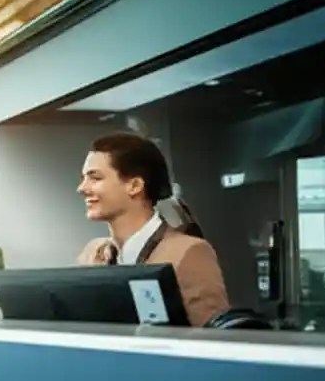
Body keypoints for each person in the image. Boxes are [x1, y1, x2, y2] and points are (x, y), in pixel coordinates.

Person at [76, 132, 229, 327]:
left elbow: (211, 341)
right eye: (83, 178)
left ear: (134, 185)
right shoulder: (92, 254)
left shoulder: (189, 252)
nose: (82, 188)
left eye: (95, 178)